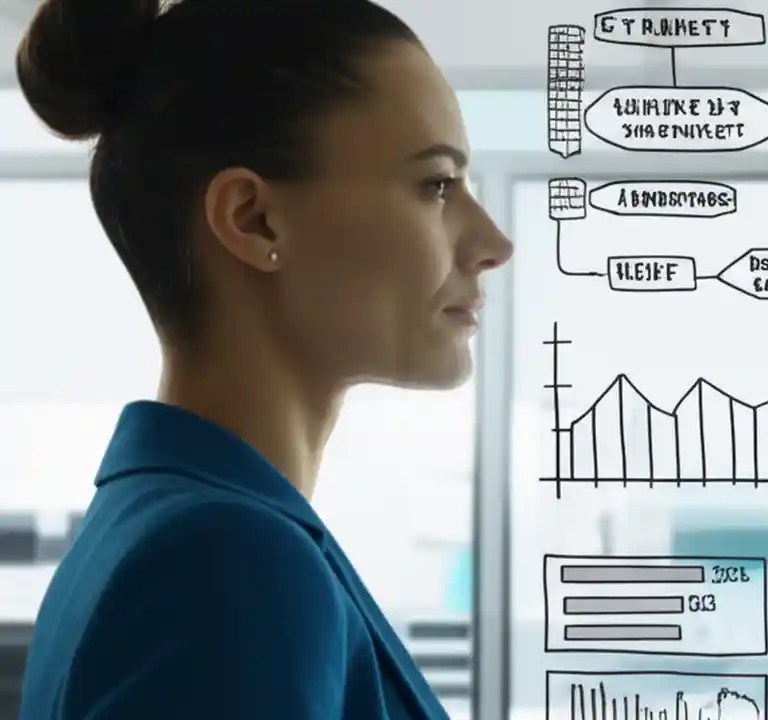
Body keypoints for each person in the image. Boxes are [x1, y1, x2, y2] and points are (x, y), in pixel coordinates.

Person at [14, 0, 512, 716]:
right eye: (434, 185)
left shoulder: (159, 526)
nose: (493, 241)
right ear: (253, 219)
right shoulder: (228, 561)